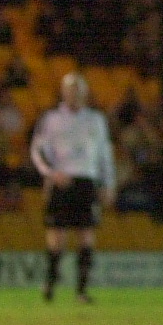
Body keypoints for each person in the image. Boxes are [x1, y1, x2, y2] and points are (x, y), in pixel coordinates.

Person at [29, 72, 116, 303]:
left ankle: (81, 290)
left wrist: (108, 182)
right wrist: (50, 173)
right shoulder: (51, 118)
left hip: (86, 181)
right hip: (61, 180)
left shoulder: (96, 120)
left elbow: (104, 153)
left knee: (86, 236)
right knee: (56, 236)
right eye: (69, 90)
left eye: (77, 90)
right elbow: (38, 150)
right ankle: (49, 284)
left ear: (85, 93)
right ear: (63, 92)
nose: (73, 94)